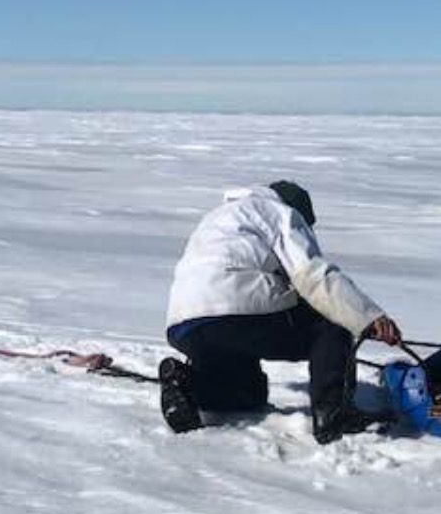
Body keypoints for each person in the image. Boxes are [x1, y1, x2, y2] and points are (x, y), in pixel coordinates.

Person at [160, 180, 402, 443]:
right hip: (235, 307)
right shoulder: (281, 212)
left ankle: (186, 383)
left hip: (184, 322)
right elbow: (312, 275)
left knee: (248, 395)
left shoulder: (221, 216)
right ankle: (334, 413)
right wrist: (367, 316)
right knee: (333, 319)